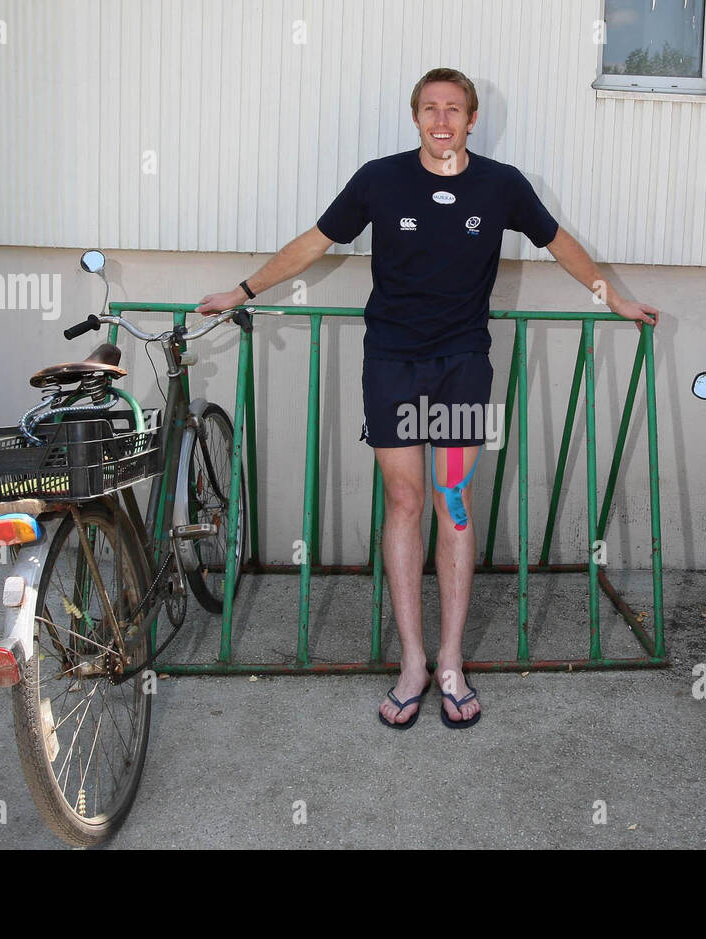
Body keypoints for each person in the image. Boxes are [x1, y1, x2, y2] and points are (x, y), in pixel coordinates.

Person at [196, 67, 659, 729]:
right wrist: (242, 290)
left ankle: (450, 661)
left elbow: (560, 244)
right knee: (406, 499)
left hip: (463, 362)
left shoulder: (501, 185)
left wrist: (613, 298)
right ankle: (412, 659)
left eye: (455, 109)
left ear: (472, 119)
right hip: (391, 359)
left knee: (450, 498)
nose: (442, 121)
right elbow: (314, 241)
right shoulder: (380, 179)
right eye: (431, 109)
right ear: (416, 117)